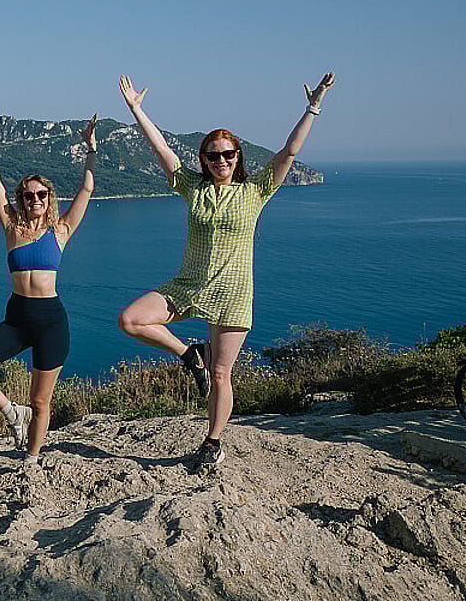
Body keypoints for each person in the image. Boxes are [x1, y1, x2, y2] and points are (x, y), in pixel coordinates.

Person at [116, 72, 337, 468]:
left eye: (227, 154)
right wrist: (136, 110)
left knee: (221, 375)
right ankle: (189, 353)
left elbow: (288, 152)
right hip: (189, 284)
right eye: (212, 155)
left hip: (234, 291)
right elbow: (161, 148)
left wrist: (313, 107)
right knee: (131, 320)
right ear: (203, 159)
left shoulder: (256, 191)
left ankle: (213, 441)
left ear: (238, 158)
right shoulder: (191, 187)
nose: (220, 161)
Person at [0, 107, 98, 466]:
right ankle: (9, 410)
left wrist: (91, 150)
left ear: (49, 198)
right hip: (17, 318)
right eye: (29, 195)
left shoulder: (60, 230)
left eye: (41, 195)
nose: (35, 200)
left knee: (41, 401)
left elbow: (87, 187)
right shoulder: (11, 228)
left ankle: (32, 458)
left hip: (50, 320)